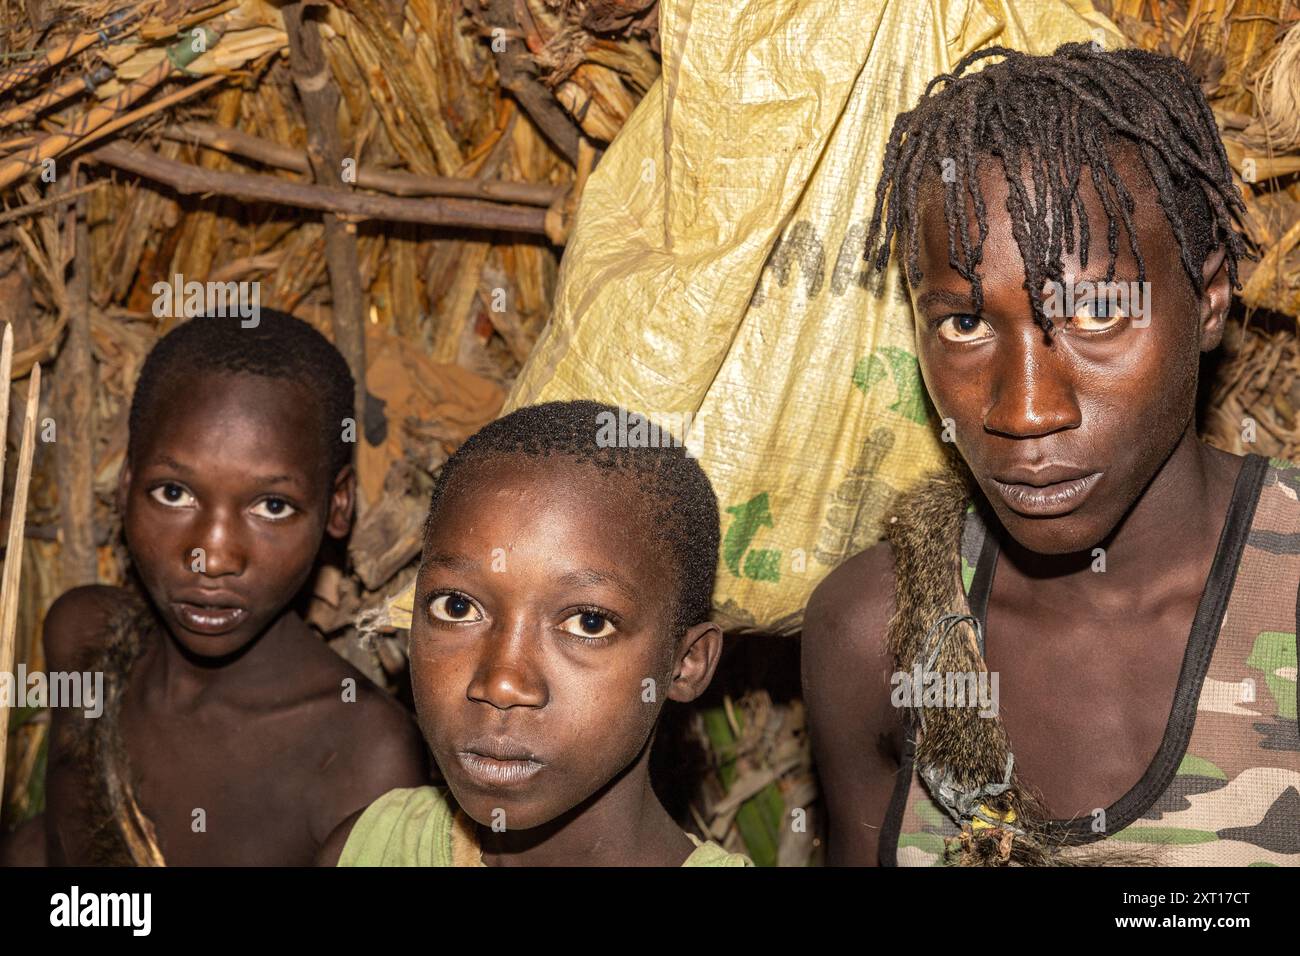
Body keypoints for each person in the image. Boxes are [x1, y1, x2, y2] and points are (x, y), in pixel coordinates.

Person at [803, 43, 1299, 866]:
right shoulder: (872, 636)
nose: (1026, 410)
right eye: (964, 324)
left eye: (1097, 313)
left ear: (1210, 302)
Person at [41, 310, 428, 865]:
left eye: (272, 506)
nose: (213, 555)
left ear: (337, 506)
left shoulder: (361, 756)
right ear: (126, 487)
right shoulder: (84, 640)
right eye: (174, 493)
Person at [322, 400, 751, 866]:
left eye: (588, 622)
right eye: (458, 606)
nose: (501, 684)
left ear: (686, 663)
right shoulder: (370, 849)